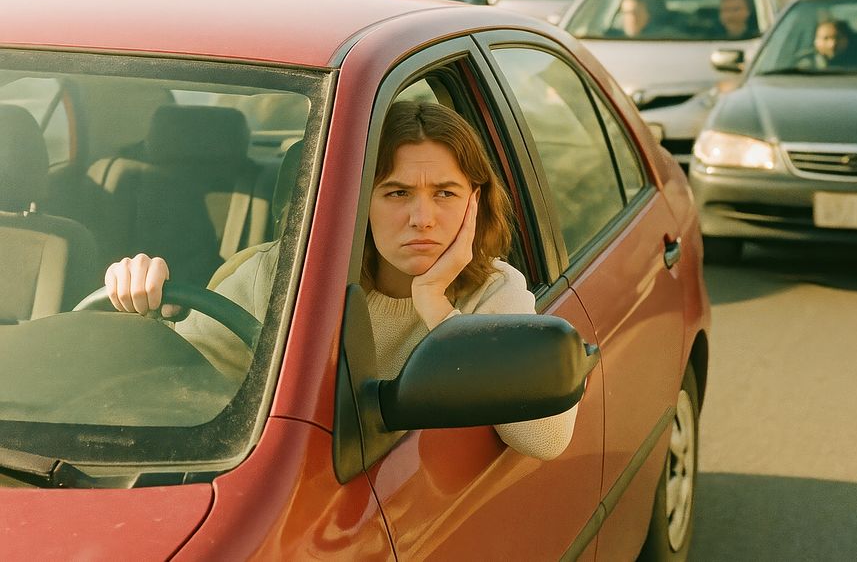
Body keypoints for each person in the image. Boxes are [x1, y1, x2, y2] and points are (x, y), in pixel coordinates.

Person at [103, 100, 578, 461]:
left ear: (475, 202)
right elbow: (172, 380)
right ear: (358, 201)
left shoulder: (495, 290)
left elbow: (546, 440)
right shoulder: (279, 274)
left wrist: (436, 306)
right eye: (397, 192)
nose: (423, 218)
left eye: (445, 193)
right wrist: (144, 310)